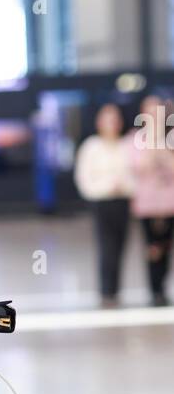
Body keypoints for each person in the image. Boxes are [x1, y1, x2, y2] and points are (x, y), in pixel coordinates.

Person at [73, 103, 134, 307]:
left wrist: (124, 187)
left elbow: (134, 175)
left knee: (120, 245)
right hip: (102, 202)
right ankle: (107, 290)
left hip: (123, 201)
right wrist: (105, 188)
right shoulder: (91, 146)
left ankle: (116, 289)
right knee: (106, 246)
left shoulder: (126, 145)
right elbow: (84, 178)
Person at [126, 94, 174, 307]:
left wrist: (161, 149)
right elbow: (140, 167)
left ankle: (164, 287)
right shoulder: (134, 139)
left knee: (166, 247)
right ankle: (155, 291)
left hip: (169, 204)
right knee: (153, 249)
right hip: (147, 206)